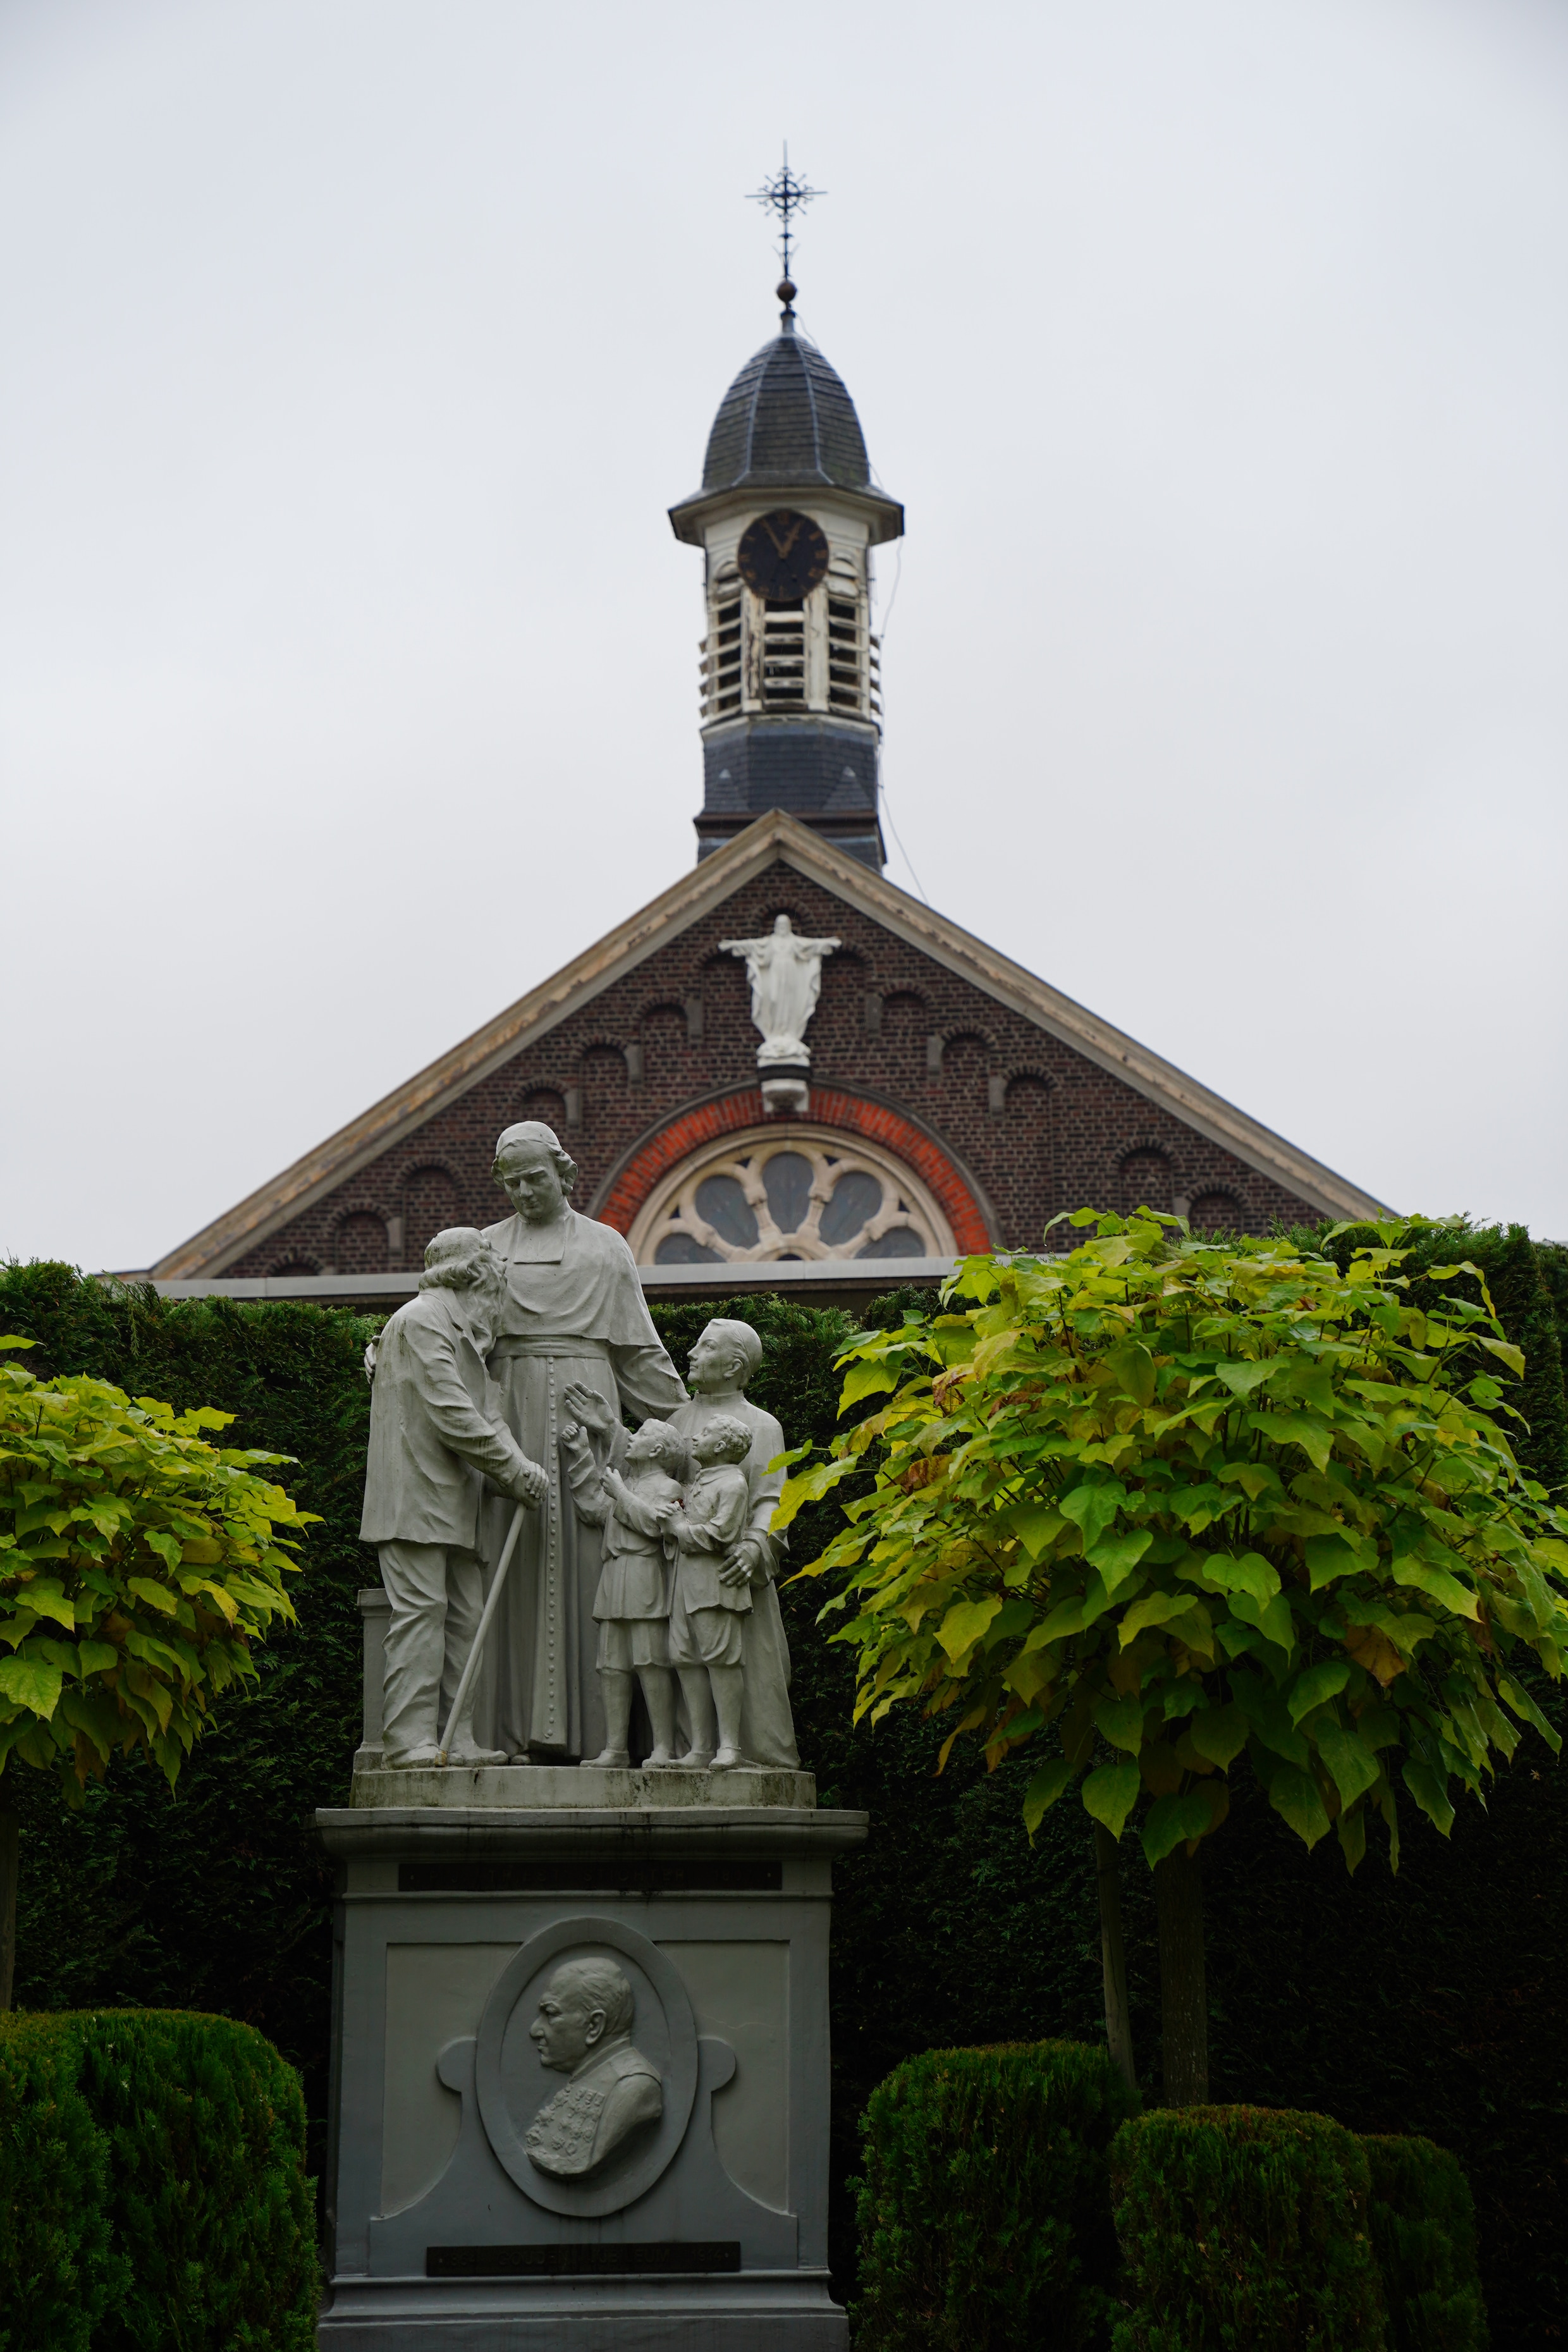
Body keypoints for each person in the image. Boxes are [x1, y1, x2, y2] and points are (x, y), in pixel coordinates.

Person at [479, 1122, 687, 1762]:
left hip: (584, 1406)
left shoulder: (604, 1249)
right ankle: (504, 1735)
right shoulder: (483, 1251)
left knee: (597, 1564)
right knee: (504, 1574)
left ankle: (606, 1740)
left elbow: (638, 1354)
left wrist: (690, 1421)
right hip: (508, 1414)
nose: (523, 1192)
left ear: (563, 1174)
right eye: (511, 1182)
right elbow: (455, 1342)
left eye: (534, 1178)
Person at [567, 1315, 800, 1770]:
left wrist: (755, 1547)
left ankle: (744, 1751)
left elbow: (772, 1498)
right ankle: (695, 1749)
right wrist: (611, 1429)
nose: (692, 1354)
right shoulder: (678, 1419)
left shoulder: (762, 1425)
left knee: (736, 1665)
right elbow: (649, 1475)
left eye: (706, 1348)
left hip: (732, 1570)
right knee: (684, 1660)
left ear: (734, 1366)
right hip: (679, 1574)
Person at [360, 1228, 546, 1768]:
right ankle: (409, 1741)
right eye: (492, 1267)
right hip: (413, 1499)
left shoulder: (466, 1332)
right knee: (421, 1613)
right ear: (472, 1273)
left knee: (465, 1616)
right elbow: (450, 1411)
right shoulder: (421, 1321)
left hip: (457, 1506)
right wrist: (512, 1469)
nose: (500, 1282)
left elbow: (485, 1413)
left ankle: (456, 1737)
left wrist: (521, 1470)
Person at [559, 1416, 687, 1768]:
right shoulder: (626, 1482)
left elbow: (655, 1525)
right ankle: (615, 1749)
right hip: (614, 1574)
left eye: (641, 1434)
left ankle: (663, 1747)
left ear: (657, 1450)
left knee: (651, 1661)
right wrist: (583, 1455)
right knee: (612, 1664)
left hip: (645, 1574)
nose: (631, 1438)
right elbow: (595, 1508)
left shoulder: (668, 1488)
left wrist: (621, 1494)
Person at [667, 1415, 756, 1768]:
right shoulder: (702, 1480)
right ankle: (701, 1747)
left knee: (721, 1661)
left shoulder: (733, 1483)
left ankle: (730, 1747)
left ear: (720, 1446)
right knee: (685, 1658)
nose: (695, 1438)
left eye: (704, 1434)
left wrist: (679, 1529)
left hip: (717, 1584)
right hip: (686, 1583)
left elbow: (721, 1534)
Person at [525, 1960, 663, 2180]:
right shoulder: (587, 2078)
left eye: (550, 2014)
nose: (535, 2030)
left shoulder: (633, 2089)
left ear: (594, 2026)